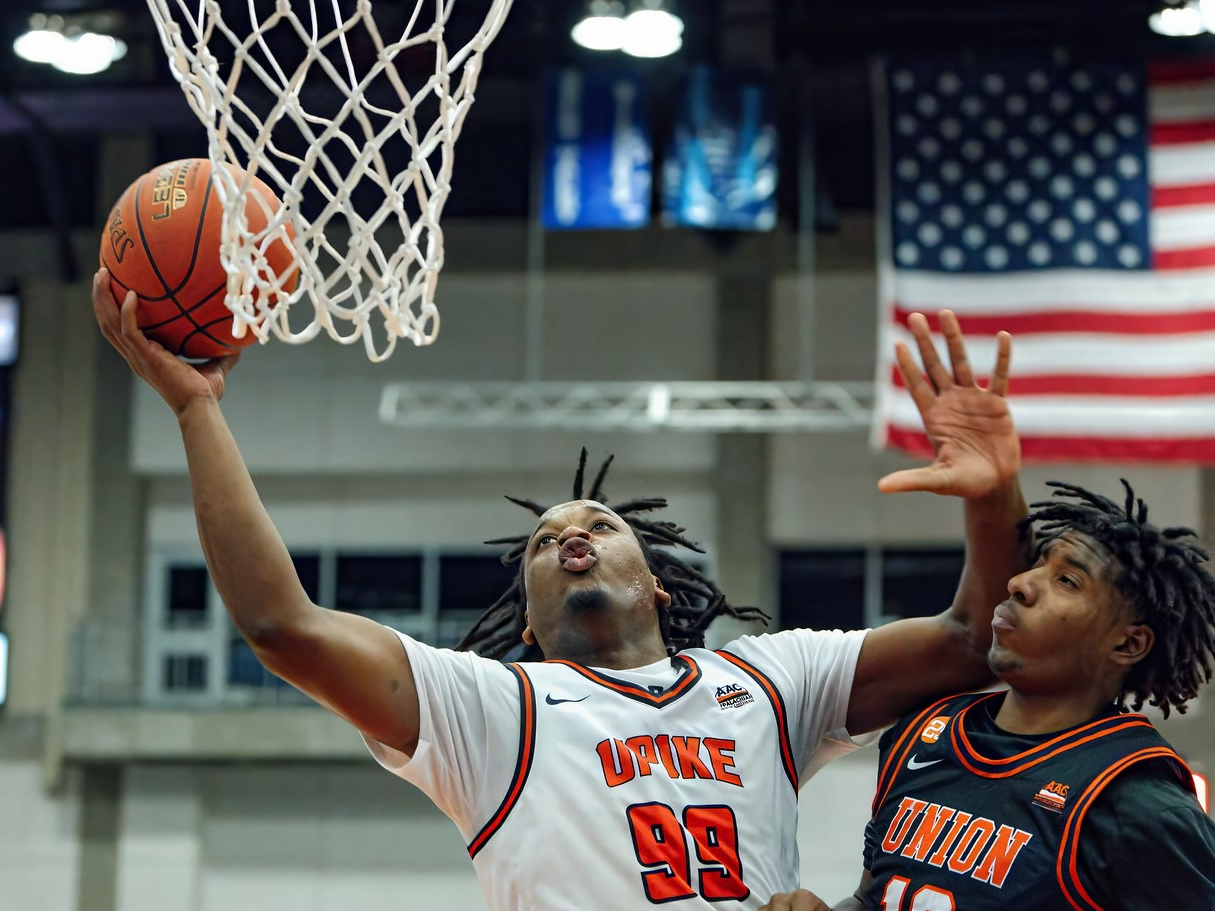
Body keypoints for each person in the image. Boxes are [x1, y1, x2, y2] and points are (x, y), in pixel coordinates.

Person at [93, 266, 1028, 909]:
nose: (570, 536)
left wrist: (994, 498)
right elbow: (280, 624)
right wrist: (196, 410)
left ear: (659, 588)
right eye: (543, 541)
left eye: (599, 527)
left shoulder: (770, 681)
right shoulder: (493, 709)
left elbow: (969, 642)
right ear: (530, 627)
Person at [762, 483, 1215, 911]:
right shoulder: (919, 733)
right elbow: (870, 898)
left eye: (1067, 580)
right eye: (1037, 565)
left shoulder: (1137, 804)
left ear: (1128, 643)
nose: (1020, 582)